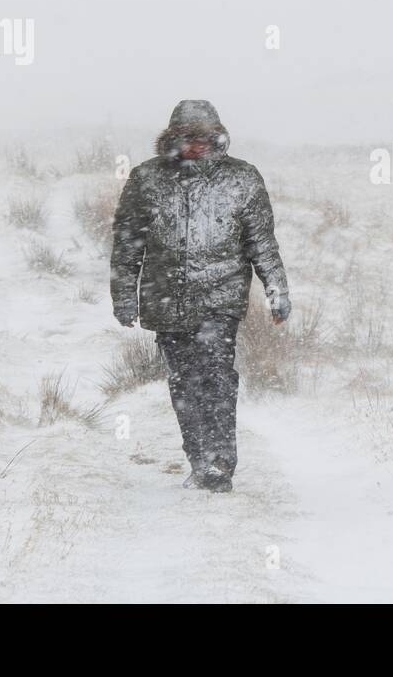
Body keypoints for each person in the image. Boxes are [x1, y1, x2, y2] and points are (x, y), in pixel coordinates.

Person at [110, 100, 290, 493]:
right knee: (184, 383)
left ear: (217, 136)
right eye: (187, 138)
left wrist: (276, 290)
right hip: (165, 300)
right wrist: (124, 297)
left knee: (217, 380)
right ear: (173, 138)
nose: (195, 145)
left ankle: (220, 463)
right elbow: (127, 246)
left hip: (220, 300)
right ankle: (200, 457)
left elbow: (262, 242)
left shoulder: (243, 179)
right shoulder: (146, 179)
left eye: (203, 137)